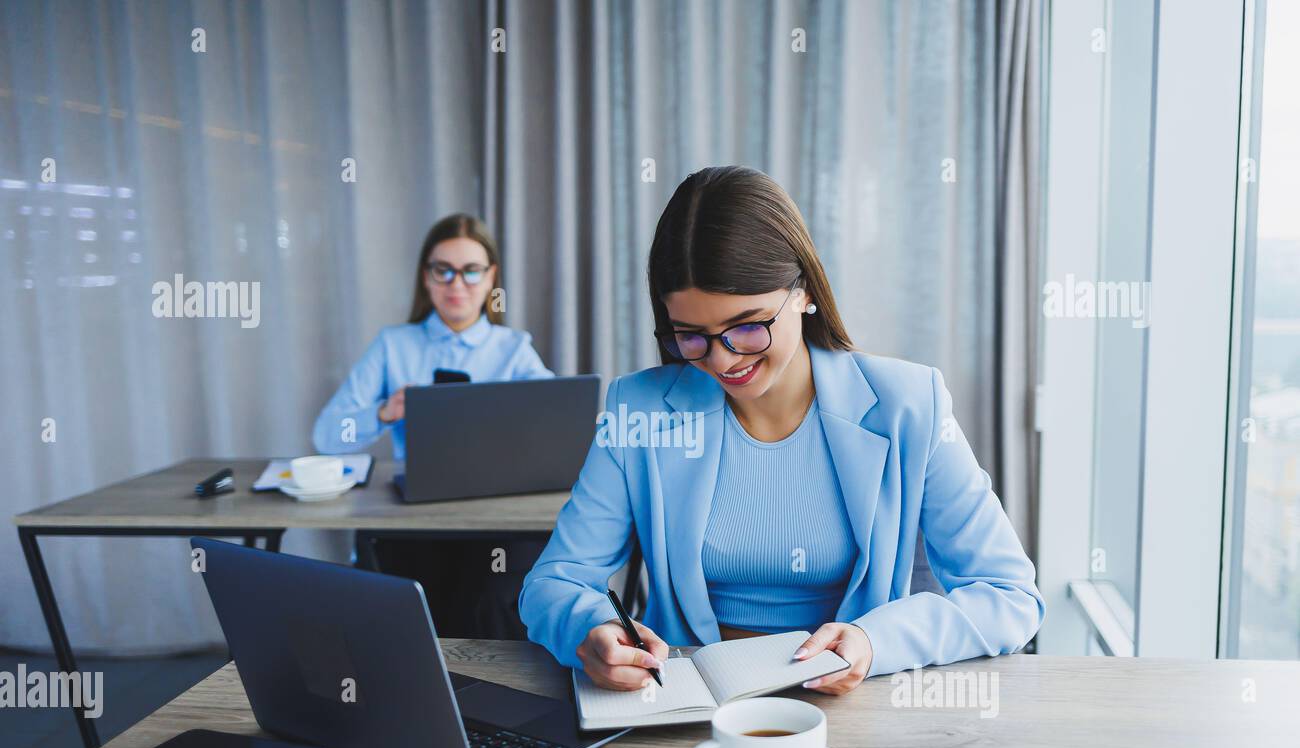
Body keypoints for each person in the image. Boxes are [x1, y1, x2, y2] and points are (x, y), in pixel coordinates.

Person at [519, 166, 1044, 693]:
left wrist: (874, 641)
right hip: (683, 705)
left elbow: (1008, 595)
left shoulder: (909, 404)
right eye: (691, 336)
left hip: (849, 705)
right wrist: (594, 628)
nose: (723, 361)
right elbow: (553, 582)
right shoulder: (640, 408)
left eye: (747, 326)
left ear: (805, 292)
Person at [314, 213, 552, 639]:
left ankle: (491, 695)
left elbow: (559, 427)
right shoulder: (394, 345)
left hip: (497, 515)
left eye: (470, 271)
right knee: (410, 599)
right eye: (442, 270)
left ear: (490, 277)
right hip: (418, 516)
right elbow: (328, 435)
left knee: (499, 592)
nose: (456, 284)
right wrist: (385, 411)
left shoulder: (514, 349)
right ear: (427, 278)